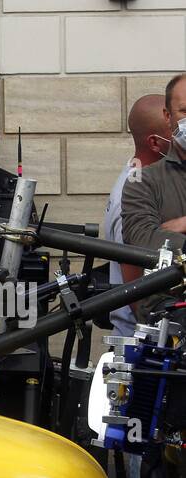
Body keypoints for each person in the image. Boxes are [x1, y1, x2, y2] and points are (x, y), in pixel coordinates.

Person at [103, 94, 171, 335]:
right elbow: (137, 290)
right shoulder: (132, 193)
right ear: (155, 143)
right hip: (141, 344)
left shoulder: (142, 175)